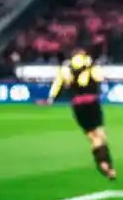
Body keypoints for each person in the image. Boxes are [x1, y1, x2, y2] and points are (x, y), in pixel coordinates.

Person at [47, 50, 117, 180]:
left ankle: (103, 164)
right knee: (100, 135)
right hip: (92, 103)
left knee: (92, 136)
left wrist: (51, 98)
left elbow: (58, 84)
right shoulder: (92, 65)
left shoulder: (66, 68)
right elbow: (100, 78)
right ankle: (105, 163)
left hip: (77, 105)